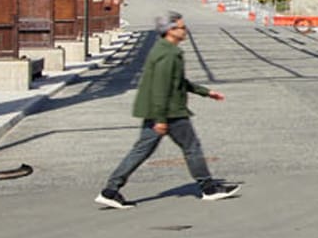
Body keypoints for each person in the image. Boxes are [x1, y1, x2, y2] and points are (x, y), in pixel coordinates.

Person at [96, 12, 237, 208]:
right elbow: (161, 88)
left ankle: (110, 190)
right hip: (169, 112)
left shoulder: (164, 50)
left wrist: (206, 92)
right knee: (191, 147)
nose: (185, 30)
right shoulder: (168, 54)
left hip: (159, 110)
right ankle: (208, 188)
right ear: (170, 31)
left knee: (141, 150)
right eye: (181, 27)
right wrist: (161, 118)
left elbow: (178, 81)